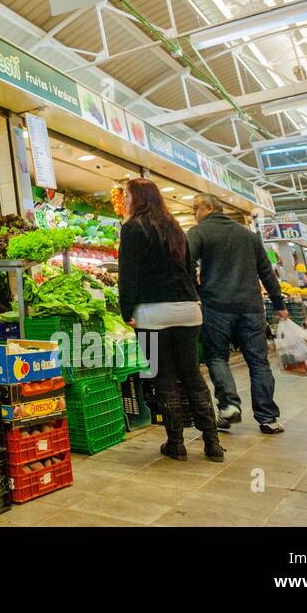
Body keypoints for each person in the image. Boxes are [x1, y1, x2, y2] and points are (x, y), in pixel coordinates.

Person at [118, 179, 224, 462]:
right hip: (188, 310)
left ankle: (176, 443)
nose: (125, 200)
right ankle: (212, 444)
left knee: (164, 378)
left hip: (152, 314)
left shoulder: (131, 228)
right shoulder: (176, 228)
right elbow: (190, 270)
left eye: (127, 195)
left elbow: (128, 275)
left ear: (138, 198)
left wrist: (125, 311)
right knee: (192, 375)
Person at [186, 194, 286, 434]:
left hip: (216, 306)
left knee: (217, 357)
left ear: (209, 208)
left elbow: (185, 262)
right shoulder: (248, 235)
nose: (193, 214)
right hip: (251, 307)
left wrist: (196, 290)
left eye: (195, 209)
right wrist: (278, 303)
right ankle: (268, 417)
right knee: (258, 362)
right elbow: (266, 272)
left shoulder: (199, 232)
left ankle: (229, 405)